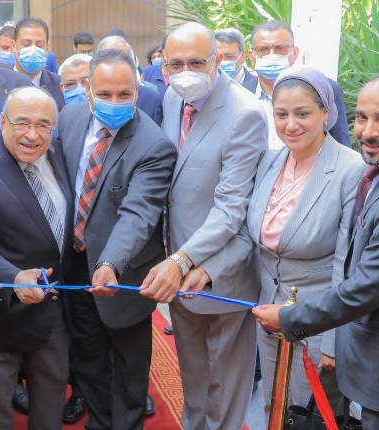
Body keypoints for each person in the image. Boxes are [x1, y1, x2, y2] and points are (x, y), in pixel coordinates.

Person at [254, 72, 379, 430]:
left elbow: (364, 289)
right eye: (362, 117)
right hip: (373, 351)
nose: (368, 130)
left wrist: (289, 318)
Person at [140, 22, 267, 430]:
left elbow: (231, 210)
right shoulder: (173, 98)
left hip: (222, 273)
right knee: (193, 378)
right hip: (179, 272)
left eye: (196, 62)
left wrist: (181, 260)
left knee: (224, 389)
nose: (186, 72)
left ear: (218, 61)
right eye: (175, 64)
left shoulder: (245, 114)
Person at [59, 48, 177, 430]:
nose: (114, 101)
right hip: (75, 263)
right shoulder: (70, 117)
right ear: (87, 90)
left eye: (124, 94)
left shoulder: (154, 145)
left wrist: (110, 263)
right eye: (105, 94)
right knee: (88, 356)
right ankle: (99, 421)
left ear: (137, 90)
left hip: (123, 272)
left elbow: (138, 214)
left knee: (129, 369)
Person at [246, 65, 363, 421]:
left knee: (310, 415)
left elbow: (348, 263)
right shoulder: (270, 161)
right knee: (274, 407)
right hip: (270, 313)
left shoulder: (351, 170)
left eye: (302, 113)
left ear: (326, 113)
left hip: (318, 321)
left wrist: (334, 342)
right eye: (281, 114)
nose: (291, 124)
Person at [0, 86, 71, 430]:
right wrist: (14, 276)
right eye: (22, 123)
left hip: (52, 309)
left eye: (43, 125)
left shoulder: (60, 154)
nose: (32, 135)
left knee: (50, 406)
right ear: (2, 121)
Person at [247, 20, 350, 148]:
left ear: (295, 53)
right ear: (251, 56)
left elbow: (341, 146)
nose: (272, 55)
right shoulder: (239, 94)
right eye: (263, 49)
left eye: (280, 48)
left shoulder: (326, 89)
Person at [97, 36, 163, 125]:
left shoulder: (151, 99)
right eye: (107, 60)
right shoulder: (83, 101)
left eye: (120, 59)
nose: (114, 65)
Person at [12, 17, 65, 110]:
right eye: (26, 44)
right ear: (13, 45)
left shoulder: (60, 85)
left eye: (39, 45)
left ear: (47, 48)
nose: (33, 50)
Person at [141, 34, 170, 103]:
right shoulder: (147, 72)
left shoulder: (185, 71)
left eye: (158, 56)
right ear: (164, 53)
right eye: (154, 57)